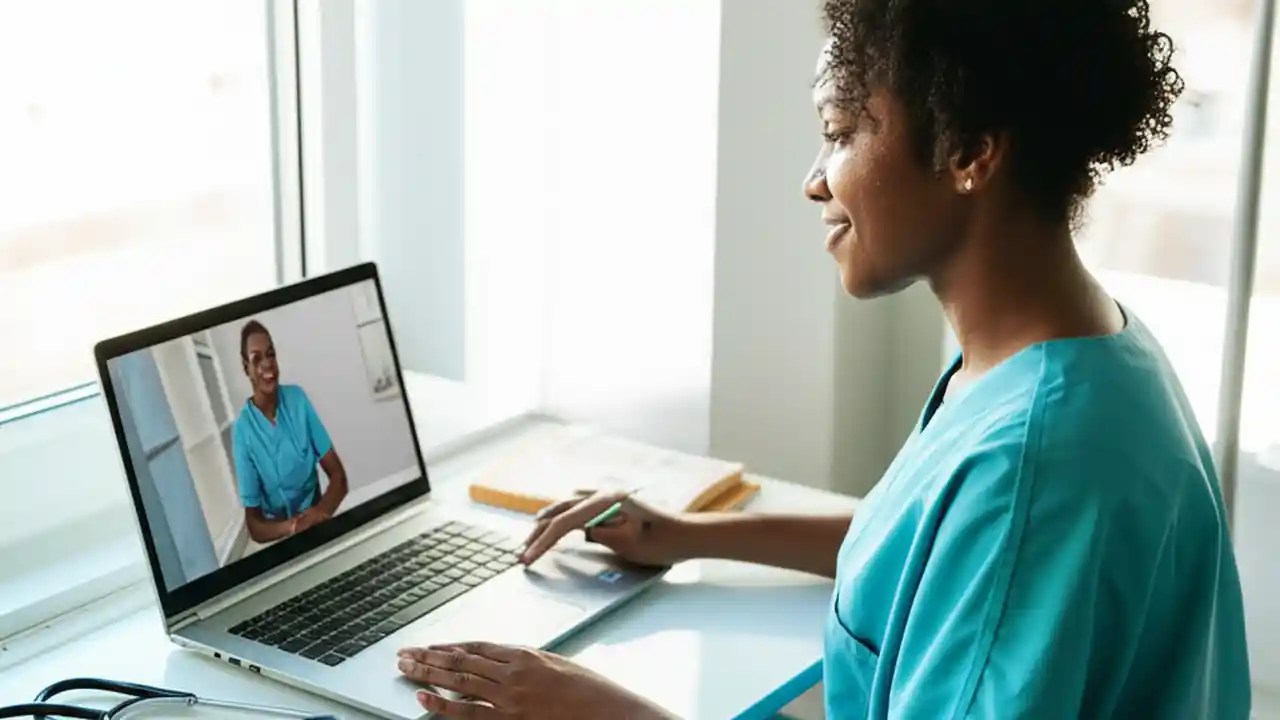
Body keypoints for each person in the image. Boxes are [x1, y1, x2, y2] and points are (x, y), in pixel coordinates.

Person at [395, 0, 1251, 717]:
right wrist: (686, 534)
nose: (815, 179)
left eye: (840, 131)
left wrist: (599, 710)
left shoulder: (1034, 467)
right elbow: (930, 551)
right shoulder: (1086, 353)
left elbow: (997, 538)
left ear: (969, 154)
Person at [232, 320, 349, 543]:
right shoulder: (242, 432)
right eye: (257, 358)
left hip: (318, 522)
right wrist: (294, 526)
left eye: (271, 354)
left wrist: (318, 515)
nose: (268, 364)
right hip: (278, 537)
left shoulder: (297, 399)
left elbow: (338, 477)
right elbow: (255, 526)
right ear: (246, 367)